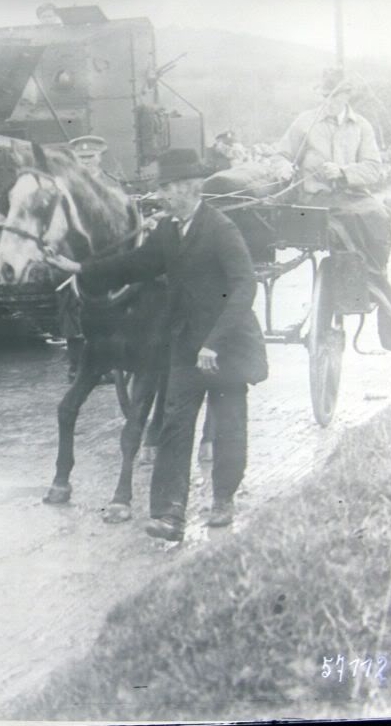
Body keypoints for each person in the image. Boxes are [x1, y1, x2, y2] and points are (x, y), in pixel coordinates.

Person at [45, 149, 269, 541]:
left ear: (189, 188)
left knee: (229, 425)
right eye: (161, 188)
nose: (161, 195)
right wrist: (80, 268)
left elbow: (244, 287)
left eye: (167, 188)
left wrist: (215, 343)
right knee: (174, 427)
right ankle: (169, 515)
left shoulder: (221, 229)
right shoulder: (169, 230)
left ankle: (222, 499)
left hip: (226, 346)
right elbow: (135, 264)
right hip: (185, 347)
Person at [273, 67, 391, 352]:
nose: (326, 102)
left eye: (332, 97)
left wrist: (343, 172)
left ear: (346, 96)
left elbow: (373, 169)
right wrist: (284, 168)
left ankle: (377, 285)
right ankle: (361, 285)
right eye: (322, 95)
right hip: (316, 200)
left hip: (352, 195)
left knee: (379, 217)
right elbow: (281, 154)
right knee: (342, 226)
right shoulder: (305, 122)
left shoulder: (362, 127)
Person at [61, 135, 123, 382]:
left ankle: (105, 366)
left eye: (91, 157)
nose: (87, 162)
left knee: (104, 309)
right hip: (73, 255)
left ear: (100, 157)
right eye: (81, 158)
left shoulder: (113, 184)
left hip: (105, 255)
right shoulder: (66, 186)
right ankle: (77, 367)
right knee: (71, 309)